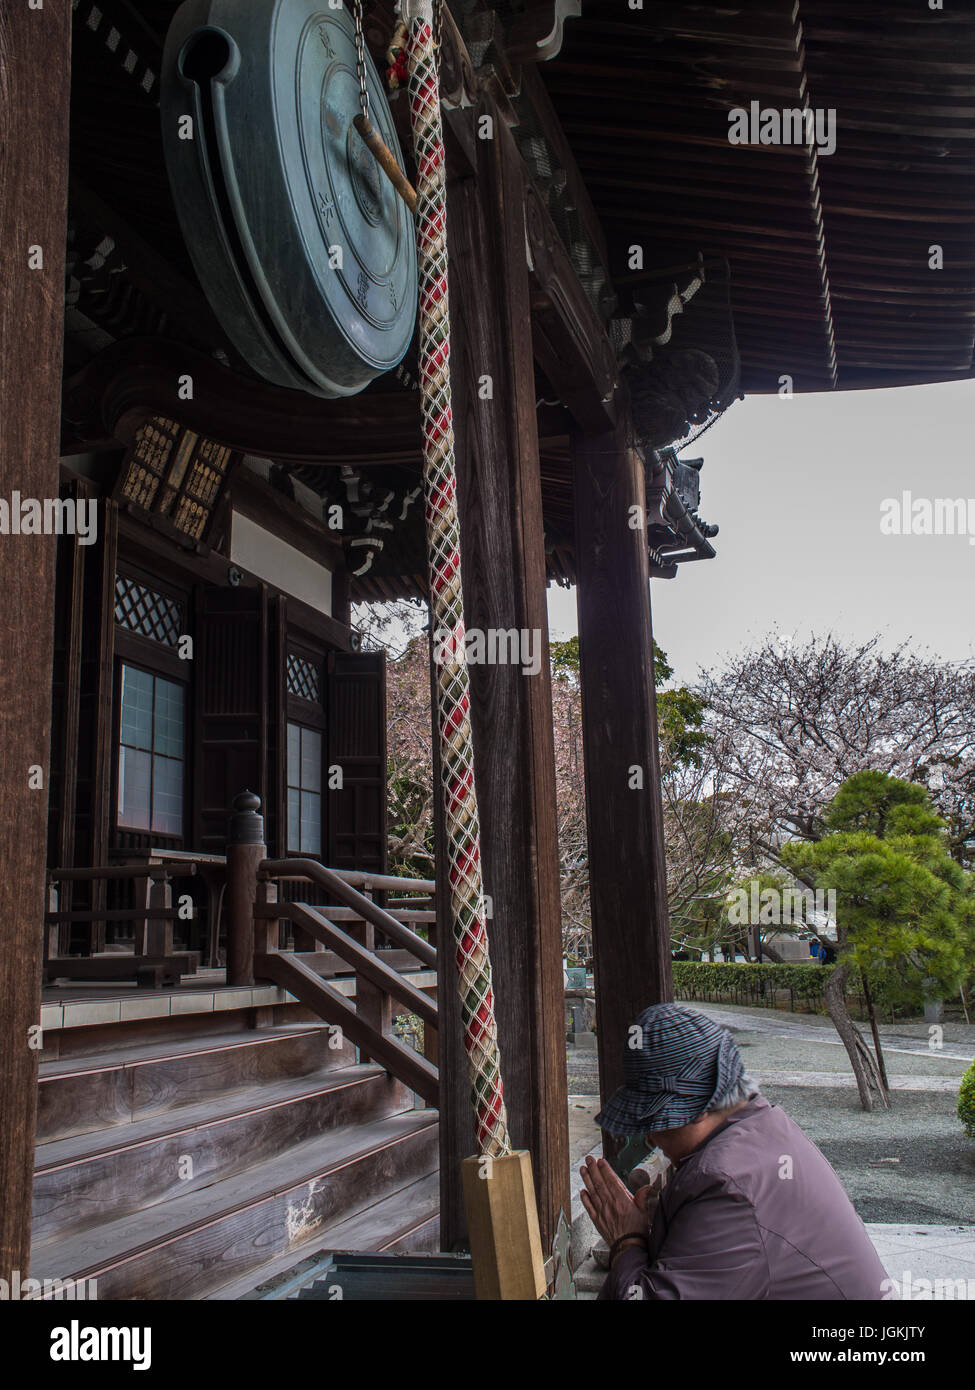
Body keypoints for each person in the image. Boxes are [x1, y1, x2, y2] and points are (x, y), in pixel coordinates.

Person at [580, 1002, 888, 1300]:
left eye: (654, 1122)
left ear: (697, 1109)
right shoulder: (760, 1127)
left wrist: (627, 1241)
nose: (651, 1138)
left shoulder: (726, 1183)